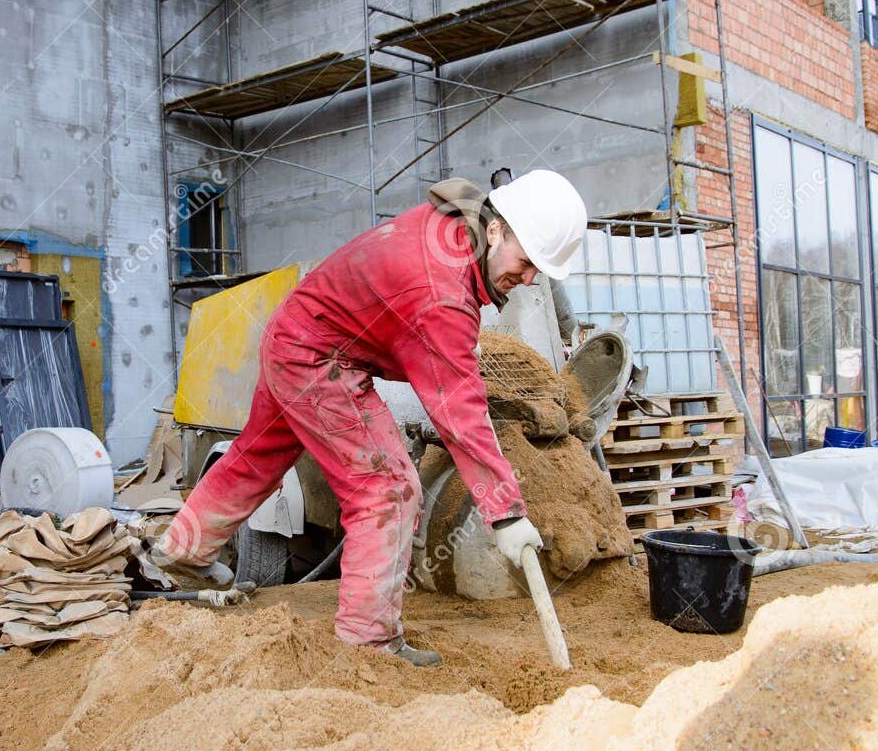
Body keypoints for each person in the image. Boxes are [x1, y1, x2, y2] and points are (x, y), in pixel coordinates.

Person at [143, 169, 589, 666]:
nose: (528, 280)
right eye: (526, 264)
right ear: (497, 230)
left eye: (537, 271)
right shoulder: (442, 292)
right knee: (389, 489)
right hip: (319, 359)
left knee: (257, 456)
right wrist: (505, 511)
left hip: (292, 333)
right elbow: (460, 413)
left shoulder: (456, 226)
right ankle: (368, 643)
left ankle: (182, 553)